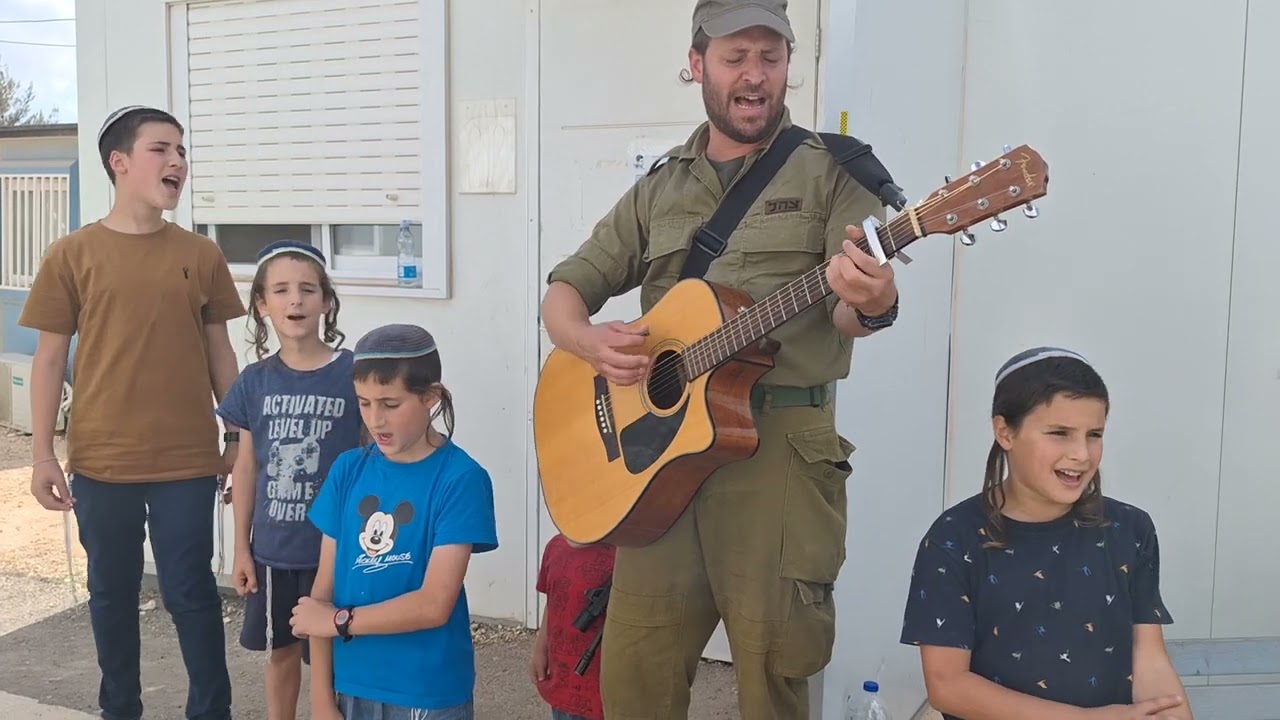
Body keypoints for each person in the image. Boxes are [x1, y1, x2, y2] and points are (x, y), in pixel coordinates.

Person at [538, 0, 902, 716]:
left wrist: (873, 297)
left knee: (772, 676)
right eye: (736, 57)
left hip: (780, 459)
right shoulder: (661, 185)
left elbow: (847, 309)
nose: (755, 76)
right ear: (698, 64)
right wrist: (588, 343)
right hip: (658, 460)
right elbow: (565, 290)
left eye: (771, 57)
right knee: (636, 674)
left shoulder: (834, 170)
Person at [20, 104, 243, 720]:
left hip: (187, 462)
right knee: (111, 597)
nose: (177, 161)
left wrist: (238, 432)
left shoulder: (201, 255)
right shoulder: (72, 254)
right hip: (102, 460)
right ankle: (120, 709)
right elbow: (47, 360)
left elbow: (218, 349)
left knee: (192, 594)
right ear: (119, 163)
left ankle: (211, 711)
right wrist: (42, 455)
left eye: (181, 151)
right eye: (160, 150)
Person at [899, 347, 1192, 720]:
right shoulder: (954, 539)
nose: (1081, 454)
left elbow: (1149, 660)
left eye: (1094, 434)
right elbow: (947, 686)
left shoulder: (1130, 529)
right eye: (1059, 433)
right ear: (1005, 431)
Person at [289, 324, 499, 720]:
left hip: (427, 689)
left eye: (390, 403)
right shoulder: (347, 470)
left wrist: (339, 622)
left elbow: (434, 604)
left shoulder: (461, 478)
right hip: (350, 684)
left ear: (430, 397)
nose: (375, 420)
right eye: (364, 403)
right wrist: (320, 698)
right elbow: (322, 590)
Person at [214, 240, 363, 720]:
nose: (294, 300)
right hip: (275, 549)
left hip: (337, 548)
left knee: (336, 654)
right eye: (280, 290)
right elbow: (247, 466)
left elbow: (371, 455)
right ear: (262, 304)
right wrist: (241, 546)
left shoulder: (354, 373)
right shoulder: (254, 381)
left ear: (326, 300)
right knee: (281, 655)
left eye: (307, 289)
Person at [529, 533, 616, 720]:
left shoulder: (625, 554)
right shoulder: (555, 546)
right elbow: (553, 600)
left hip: (604, 690)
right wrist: (540, 649)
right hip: (561, 681)